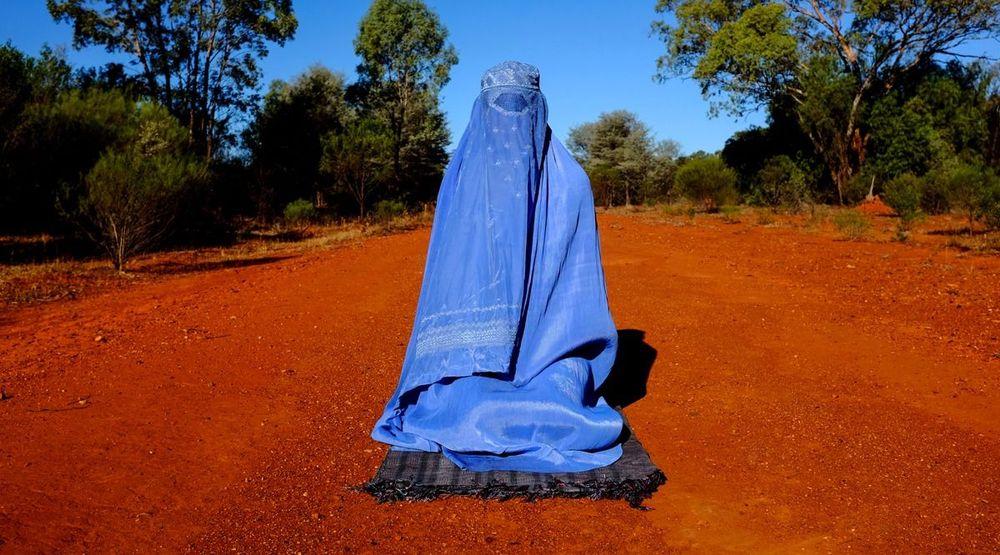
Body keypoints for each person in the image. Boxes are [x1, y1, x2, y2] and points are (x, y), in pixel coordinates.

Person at [371, 61, 623, 473]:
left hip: (553, 360)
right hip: (474, 357)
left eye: (521, 109)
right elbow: (448, 289)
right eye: (499, 111)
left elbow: (580, 300)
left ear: (540, 111)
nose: (511, 126)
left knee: (551, 408)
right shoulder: (465, 184)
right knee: (472, 408)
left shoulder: (571, 185)